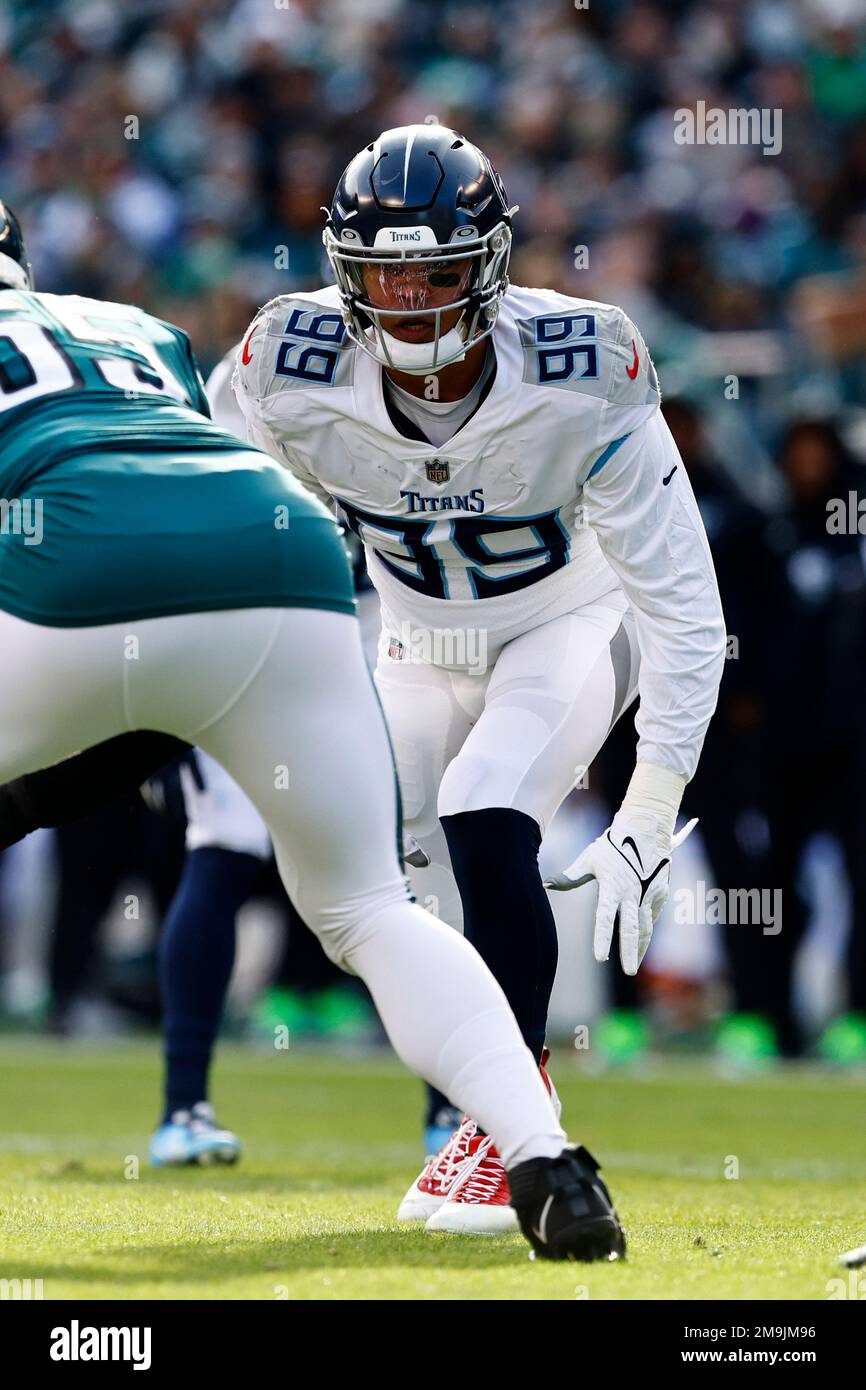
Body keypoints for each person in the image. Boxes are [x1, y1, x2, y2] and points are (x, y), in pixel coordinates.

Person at [0, 200, 625, 1264]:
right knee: (369, 906)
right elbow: (167, 657)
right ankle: (543, 1158)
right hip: (281, 552)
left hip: (80, 560)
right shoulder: (121, 322)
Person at [229, 124, 727, 1234]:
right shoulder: (288, 367)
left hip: (562, 619)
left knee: (484, 812)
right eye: (383, 272)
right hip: (413, 635)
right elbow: (245, 513)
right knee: (387, 893)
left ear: (491, 261)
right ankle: (466, 1124)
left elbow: (684, 607)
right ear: (341, 273)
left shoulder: (579, 365)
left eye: (433, 268)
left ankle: (525, 1129)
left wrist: (650, 802)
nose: (406, 298)